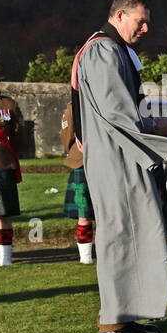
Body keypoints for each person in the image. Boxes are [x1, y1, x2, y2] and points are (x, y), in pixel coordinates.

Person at [73, 0, 167, 333]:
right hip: (115, 156)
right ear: (119, 15)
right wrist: (157, 127)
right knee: (120, 234)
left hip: (120, 155)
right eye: (140, 21)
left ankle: (128, 313)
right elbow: (117, 112)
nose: (146, 28)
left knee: (134, 232)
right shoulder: (103, 50)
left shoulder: (110, 49)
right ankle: (113, 321)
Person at [0, 57, 25, 266]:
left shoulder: (8, 104)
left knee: (1, 215)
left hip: (0, 166)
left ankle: (5, 260)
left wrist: (4, 155)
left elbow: (19, 136)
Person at [59, 102, 96, 263]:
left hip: (107, 160)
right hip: (82, 160)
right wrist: (75, 151)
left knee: (108, 214)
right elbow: (67, 133)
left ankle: (104, 253)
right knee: (83, 211)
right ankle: (86, 257)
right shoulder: (75, 105)